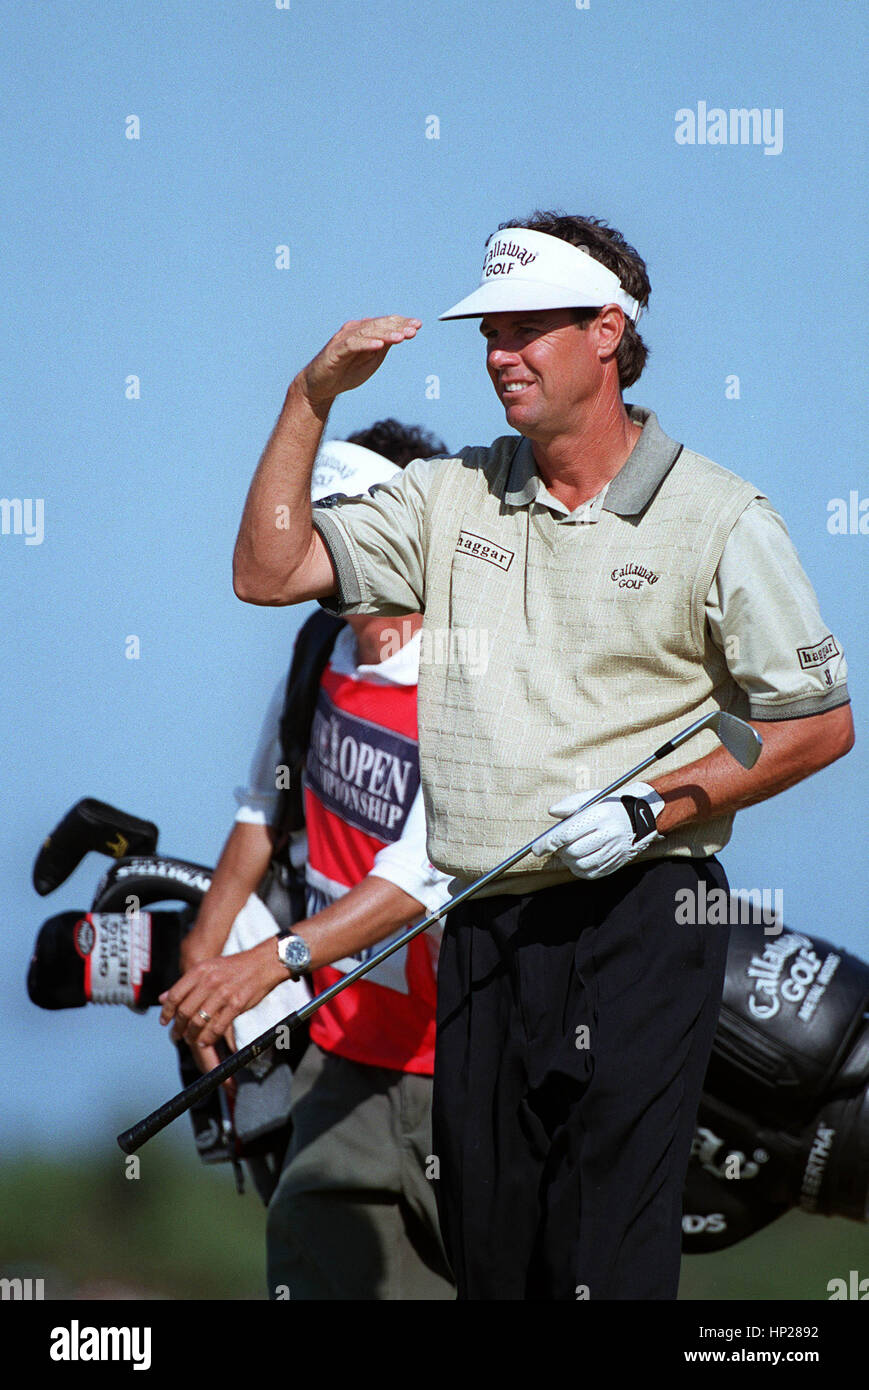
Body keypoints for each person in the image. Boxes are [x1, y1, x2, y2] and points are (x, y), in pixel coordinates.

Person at [230, 212, 854, 1301]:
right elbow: (268, 568)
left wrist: (655, 807)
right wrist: (308, 395)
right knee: (497, 1260)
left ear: (605, 333)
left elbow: (813, 721)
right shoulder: (445, 497)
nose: (498, 355)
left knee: (603, 1258)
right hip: (479, 929)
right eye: (488, 334)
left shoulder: (717, 517)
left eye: (526, 330)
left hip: (642, 918)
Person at [161, 424, 457, 1300]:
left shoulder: (463, 680)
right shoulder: (316, 653)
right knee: (313, 1266)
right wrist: (203, 949)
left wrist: (267, 961)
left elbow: (419, 875)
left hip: (462, 1066)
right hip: (342, 1052)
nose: (319, 552)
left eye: (342, 527)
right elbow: (263, 806)